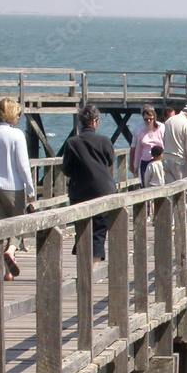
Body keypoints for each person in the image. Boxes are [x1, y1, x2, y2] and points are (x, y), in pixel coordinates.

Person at [0, 98, 35, 279]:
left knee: (0, 227)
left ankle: (7, 272)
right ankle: (11, 250)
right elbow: (23, 165)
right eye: (18, 114)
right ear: (12, 115)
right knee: (18, 224)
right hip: (13, 187)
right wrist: (31, 189)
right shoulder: (16, 135)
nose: (19, 117)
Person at [62, 104, 116, 264]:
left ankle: (83, 267)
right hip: (103, 191)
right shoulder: (104, 141)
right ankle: (92, 269)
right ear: (95, 122)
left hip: (80, 192)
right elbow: (110, 161)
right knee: (98, 232)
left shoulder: (72, 142)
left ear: (81, 122)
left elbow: (66, 169)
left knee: (82, 230)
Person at [163, 103, 187, 182]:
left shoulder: (169, 120)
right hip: (180, 161)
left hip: (166, 159)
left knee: (170, 190)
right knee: (185, 190)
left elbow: (164, 140)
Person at [130, 104, 164, 183]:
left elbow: (165, 145)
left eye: (150, 119)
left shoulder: (161, 127)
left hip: (158, 161)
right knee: (145, 184)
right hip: (145, 160)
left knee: (160, 183)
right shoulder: (140, 130)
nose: (148, 121)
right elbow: (137, 149)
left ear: (154, 118)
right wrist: (135, 166)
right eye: (146, 119)